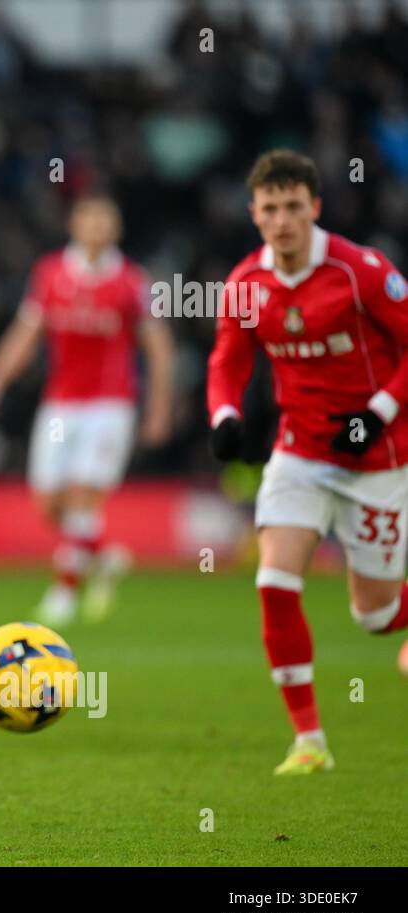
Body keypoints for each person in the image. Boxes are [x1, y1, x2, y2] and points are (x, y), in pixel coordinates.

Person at [207, 149, 408, 775]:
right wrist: (224, 416)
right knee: (274, 581)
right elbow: (227, 362)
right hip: (298, 452)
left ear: (315, 207)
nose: (283, 219)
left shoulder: (361, 272)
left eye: (294, 207)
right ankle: (309, 741)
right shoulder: (245, 283)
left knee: (374, 617)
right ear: (255, 214)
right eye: (270, 209)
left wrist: (375, 413)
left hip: (379, 457)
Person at [0, 195, 173, 627]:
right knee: (49, 503)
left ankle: (63, 591)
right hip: (61, 405)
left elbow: (158, 347)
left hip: (110, 406)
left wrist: (160, 407)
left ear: (115, 229)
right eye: (89, 220)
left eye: (105, 221)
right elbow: (26, 334)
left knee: (82, 493)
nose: (96, 229)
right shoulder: (51, 273)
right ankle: (106, 556)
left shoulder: (132, 282)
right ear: (75, 226)